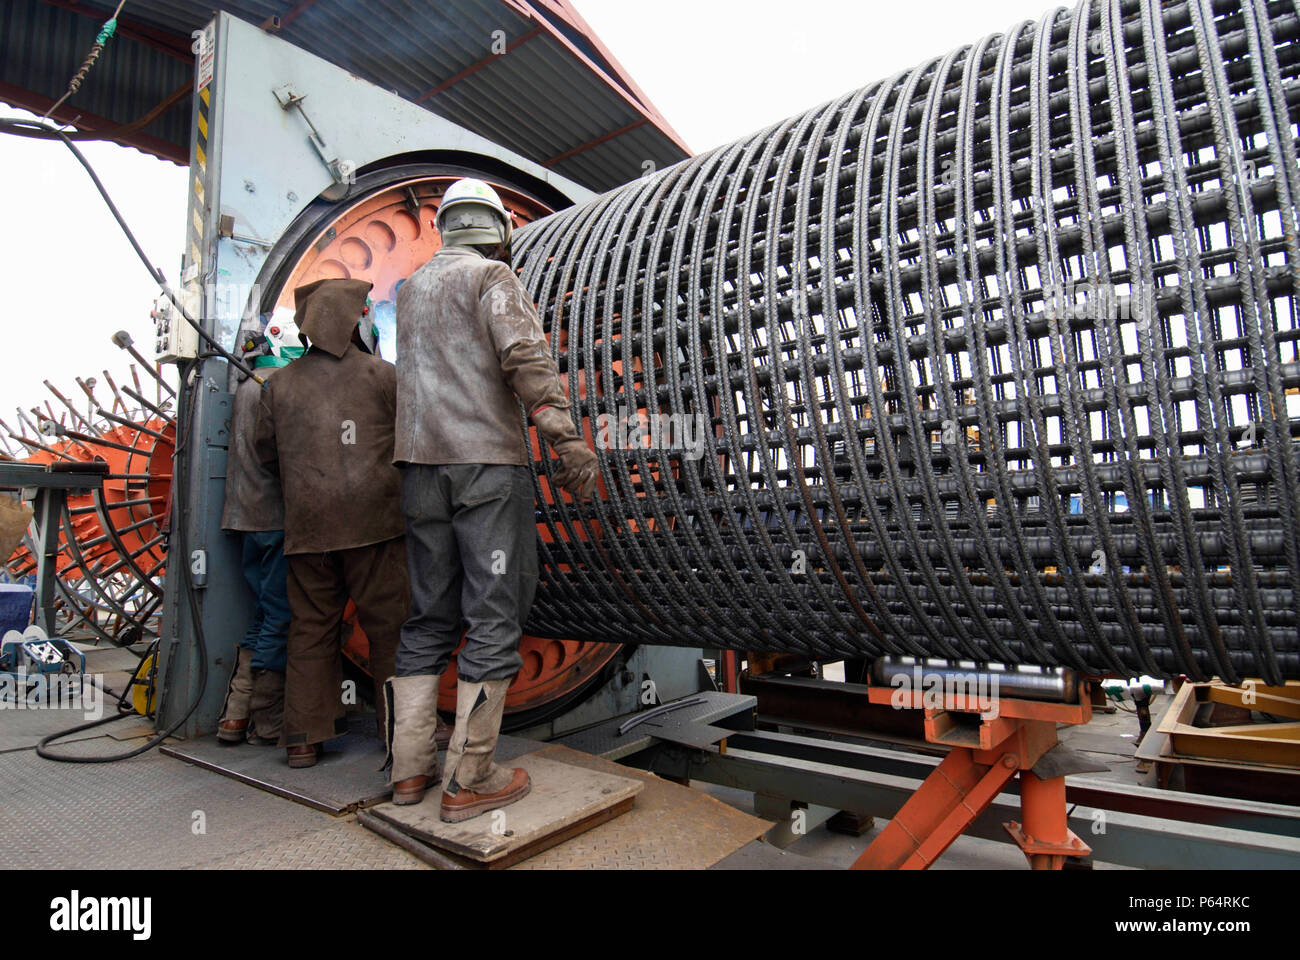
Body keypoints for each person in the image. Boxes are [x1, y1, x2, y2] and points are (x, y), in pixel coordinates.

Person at [385, 178, 597, 820]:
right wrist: (565, 438)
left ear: (444, 225)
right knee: (493, 612)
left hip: (420, 471)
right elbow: (525, 358)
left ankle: (409, 772)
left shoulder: (410, 290)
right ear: (496, 228)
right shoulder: (492, 279)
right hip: (485, 470)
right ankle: (470, 779)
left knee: (427, 617)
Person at [254, 278, 409, 769]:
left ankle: (302, 738)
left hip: (308, 531)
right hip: (376, 527)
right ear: (352, 319)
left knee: (311, 630)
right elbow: (411, 443)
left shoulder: (277, 385)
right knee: (390, 630)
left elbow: (263, 456)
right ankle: (401, 735)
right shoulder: (383, 376)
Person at [215, 318, 302, 746]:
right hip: (274, 518)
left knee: (262, 614)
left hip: (243, 517)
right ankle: (266, 720)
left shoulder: (246, 387)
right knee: (280, 615)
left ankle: (234, 715)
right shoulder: (279, 388)